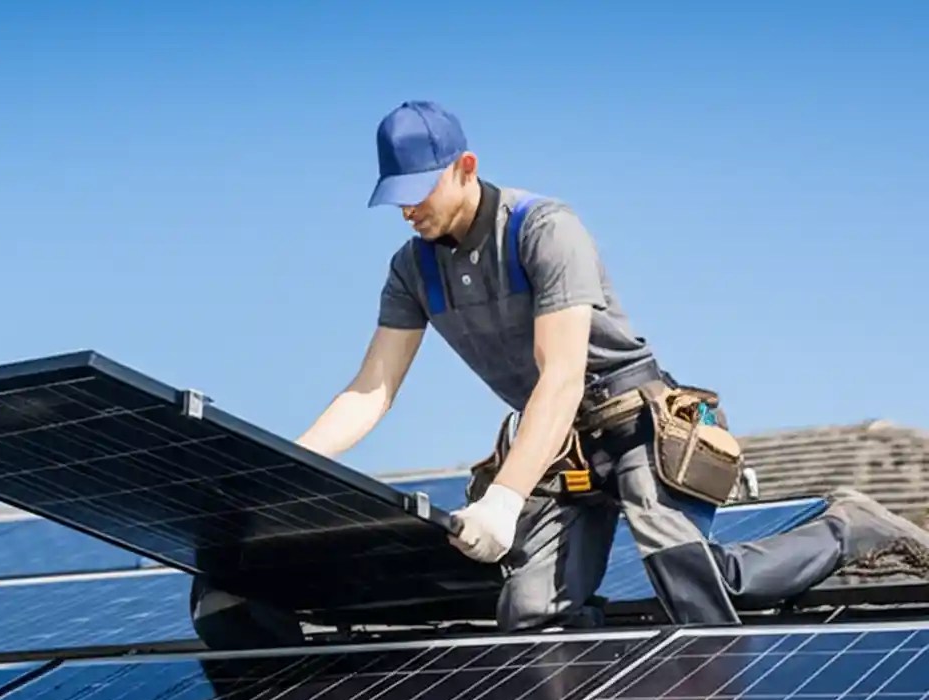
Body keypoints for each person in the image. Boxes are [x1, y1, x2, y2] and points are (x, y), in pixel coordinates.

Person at [189, 100, 929, 648]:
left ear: (465, 168)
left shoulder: (544, 229)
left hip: (636, 421)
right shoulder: (411, 270)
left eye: (422, 188)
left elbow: (563, 375)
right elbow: (369, 389)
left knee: (692, 581)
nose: (409, 207)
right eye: (397, 194)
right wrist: (282, 471)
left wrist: (506, 497)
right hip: (559, 445)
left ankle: (846, 528)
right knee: (530, 612)